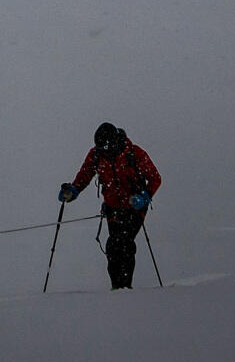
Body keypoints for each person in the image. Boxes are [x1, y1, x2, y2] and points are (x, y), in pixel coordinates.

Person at [58, 122, 161, 289]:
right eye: (100, 148)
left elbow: (155, 178)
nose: (103, 152)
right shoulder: (96, 155)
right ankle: (117, 287)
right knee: (114, 246)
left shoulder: (134, 154)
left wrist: (145, 196)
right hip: (113, 208)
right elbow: (85, 175)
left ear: (114, 143)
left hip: (135, 208)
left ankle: (125, 287)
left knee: (124, 242)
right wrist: (73, 190)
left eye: (105, 148)